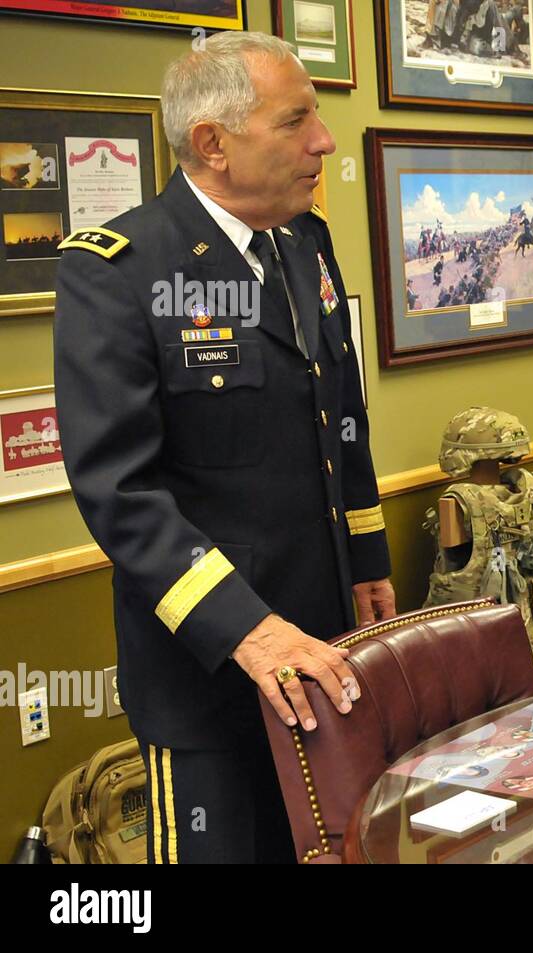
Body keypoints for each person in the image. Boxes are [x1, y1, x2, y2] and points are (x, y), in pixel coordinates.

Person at [53, 31, 395, 863]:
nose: (325, 142)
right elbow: (119, 492)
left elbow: (339, 414)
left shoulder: (304, 242)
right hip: (209, 677)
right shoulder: (119, 270)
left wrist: (367, 560)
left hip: (322, 650)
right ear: (213, 143)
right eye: (296, 121)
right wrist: (249, 630)